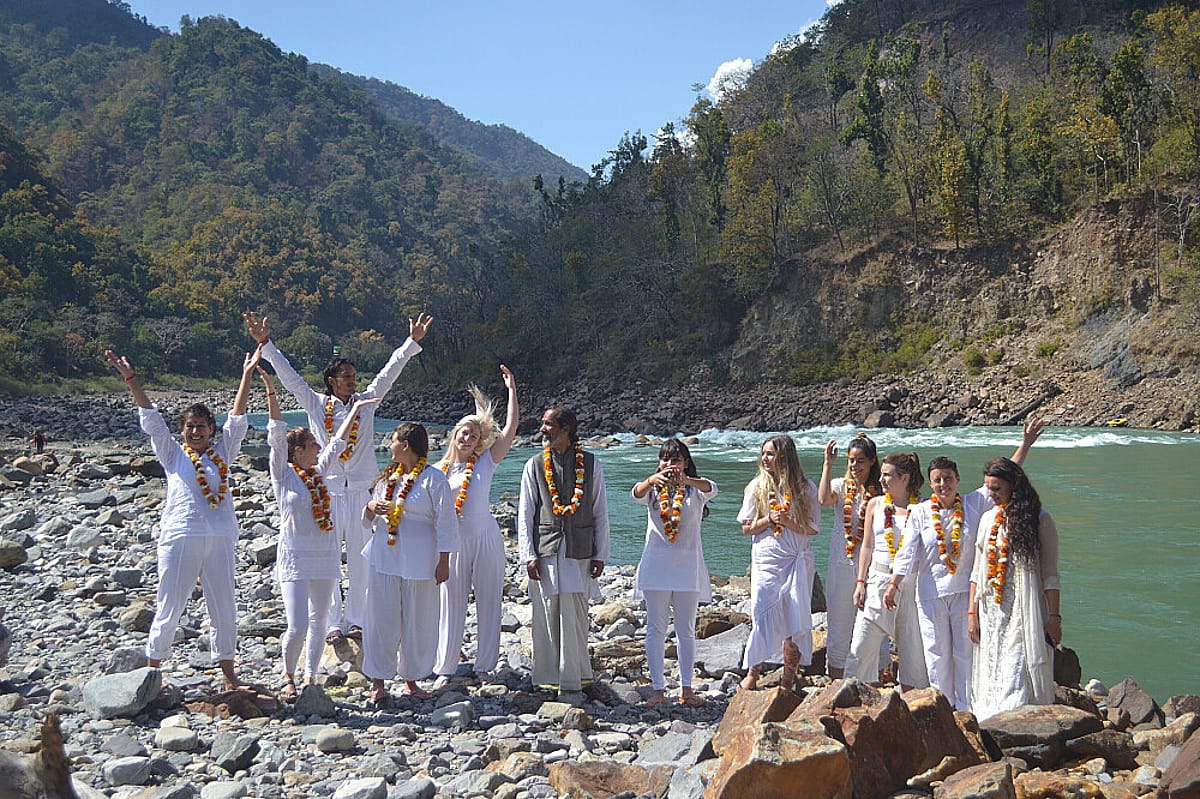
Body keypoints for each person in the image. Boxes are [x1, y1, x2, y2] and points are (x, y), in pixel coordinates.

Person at [244, 311, 433, 645]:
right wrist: (266, 345)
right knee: (329, 557)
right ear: (331, 380)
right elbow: (291, 379)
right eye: (345, 376)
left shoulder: (367, 403)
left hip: (363, 491)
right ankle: (332, 622)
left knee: (362, 558)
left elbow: (389, 373)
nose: (351, 381)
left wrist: (411, 343)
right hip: (327, 492)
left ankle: (357, 619)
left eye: (353, 376)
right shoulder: (316, 405)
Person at [105, 346, 259, 691]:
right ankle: (152, 672)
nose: (195, 432)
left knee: (225, 609)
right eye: (190, 427)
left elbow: (237, 420)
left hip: (219, 538)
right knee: (170, 605)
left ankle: (230, 675)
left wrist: (247, 375)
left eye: (202, 427)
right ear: (183, 430)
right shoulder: (173, 453)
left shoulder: (223, 454)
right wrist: (131, 380)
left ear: (210, 430)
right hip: (180, 535)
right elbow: (152, 420)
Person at [884, 417, 1045, 710]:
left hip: (964, 594)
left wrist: (1026, 444)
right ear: (930, 483)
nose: (943, 484)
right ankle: (943, 709)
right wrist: (894, 584)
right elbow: (906, 550)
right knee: (936, 655)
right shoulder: (919, 512)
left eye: (948, 478)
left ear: (957, 480)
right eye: (937, 479)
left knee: (965, 654)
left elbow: (1005, 474)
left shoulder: (974, 503)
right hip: (931, 595)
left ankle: (966, 711)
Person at [261, 366, 379, 700]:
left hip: (324, 559)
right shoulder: (283, 477)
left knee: (316, 623)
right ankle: (288, 675)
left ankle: (309, 677)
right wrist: (271, 393)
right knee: (297, 625)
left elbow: (339, 442)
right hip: (296, 559)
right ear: (296, 452)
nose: (318, 448)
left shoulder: (321, 471)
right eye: (313, 444)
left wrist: (355, 409)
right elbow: (276, 433)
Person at [432, 366, 519, 687]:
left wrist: (511, 390)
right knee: (450, 603)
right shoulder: (437, 471)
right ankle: (445, 666)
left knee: (488, 599)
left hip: (486, 537)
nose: (468, 438)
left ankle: (485, 665)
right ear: (454, 436)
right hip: (453, 542)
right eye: (463, 433)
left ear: (480, 440)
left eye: (474, 434)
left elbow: (510, 429)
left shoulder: (485, 462)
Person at [362, 423, 459, 703]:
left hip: (420, 560)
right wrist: (370, 509)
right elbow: (368, 518)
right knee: (381, 618)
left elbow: (446, 523)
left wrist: (444, 561)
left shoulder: (433, 480)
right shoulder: (386, 479)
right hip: (384, 557)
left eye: (392, 440)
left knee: (418, 620)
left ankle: (412, 680)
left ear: (405, 446)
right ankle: (378, 682)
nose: (389, 445)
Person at [518, 408, 610, 699]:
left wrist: (601, 554)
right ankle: (546, 679)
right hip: (546, 550)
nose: (543, 429)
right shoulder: (534, 465)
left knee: (576, 615)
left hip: (579, 550)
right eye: (543, 424)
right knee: (546, 613)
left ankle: (578, 677)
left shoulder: (591, 465)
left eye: (548, 424)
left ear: (566, 428)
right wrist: (528, 554)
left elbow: (600, 511)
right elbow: (525, 513)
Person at [967, 457, 1061, 721]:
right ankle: (988, 722)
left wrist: (1054, 618)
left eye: (996, 488)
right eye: (988, 488)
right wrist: (971, 613)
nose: (991, 494)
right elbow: (977, 571)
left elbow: (1051, 576)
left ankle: (1015, 725)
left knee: (1017, 672)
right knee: (992, 666)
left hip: (1023, 612)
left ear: (1014, 486)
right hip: (991, 611)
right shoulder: (987, 519)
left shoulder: (1040, 520)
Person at [631, 439, 717, 707]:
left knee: (686, 631)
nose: (670, 465)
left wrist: (687, 480)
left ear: (686, 463)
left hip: (687, 568)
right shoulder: (652, 491)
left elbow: (713, 487)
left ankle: (687, 689)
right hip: (656, 566)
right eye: (666, 459)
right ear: (659, 463)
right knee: (655, 629)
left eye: (676, 460)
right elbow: (635, 493)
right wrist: (652, 479)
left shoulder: (695, 492)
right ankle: (658, 690)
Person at [737, 435, 821, 691]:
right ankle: (753, 672)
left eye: (770, 454)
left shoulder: (805, 488)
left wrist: (788, 522)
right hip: (767, 561)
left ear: (785, 457)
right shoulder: (756, 487)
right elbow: (746, 528)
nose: (765, 458)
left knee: (793, 616)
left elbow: (813, 528)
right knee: (762, 612)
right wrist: (770, 520)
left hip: (796, 560)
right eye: (763, 453)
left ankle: (788, 676)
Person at [844, 452, 929, 690]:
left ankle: (913, 710)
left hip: (911, 585)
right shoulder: (876, 504)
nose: (881, 480)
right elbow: (868, 545)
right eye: (881, 474)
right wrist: (861, 582)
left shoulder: (923, 508)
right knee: (860, 650)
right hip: (878, 581)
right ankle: (857, 706)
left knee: (914, 655)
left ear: (904, 478)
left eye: (887, 475)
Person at [818, 433, 882, 679]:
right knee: (840, 624)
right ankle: (836, 682)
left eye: (860, 461)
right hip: (842, 564)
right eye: (851, 461)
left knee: (871, 624)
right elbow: (823, 499)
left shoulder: (880, 492)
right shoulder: (841, 486)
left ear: (872, 462)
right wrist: (827, 464)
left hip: (872, 565)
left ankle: (871, 679)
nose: (854, 466)